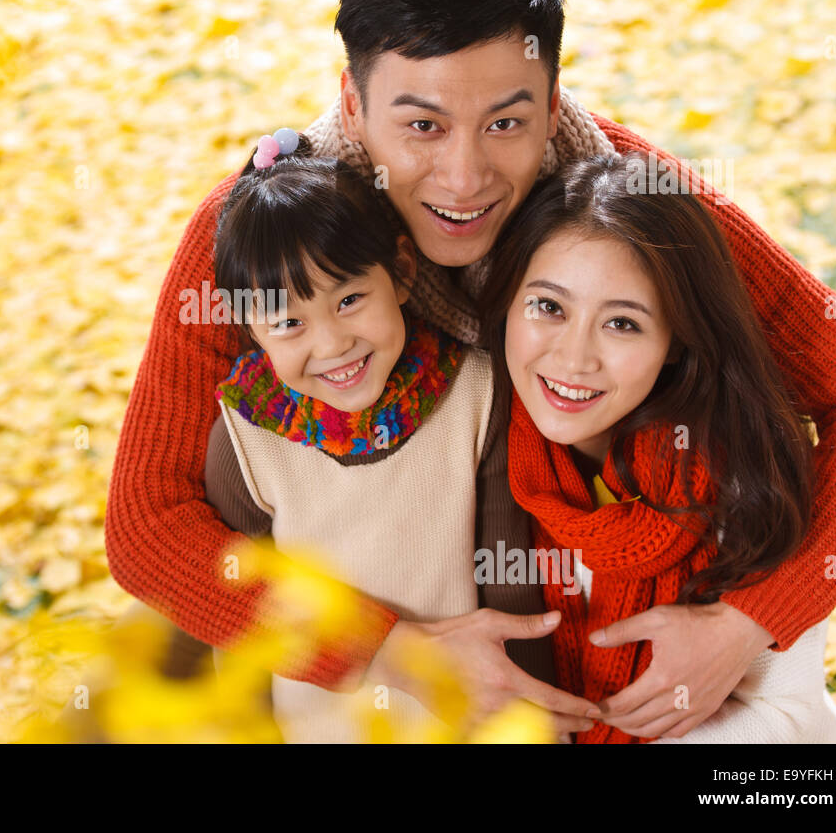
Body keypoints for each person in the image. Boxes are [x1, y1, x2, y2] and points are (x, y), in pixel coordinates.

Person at [105, 0, 836, 738]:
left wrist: (747, 624)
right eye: (423, 126)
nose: (465, 176)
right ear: (355, 105)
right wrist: (393, 651)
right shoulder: (269, 239)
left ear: (553, 104)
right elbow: (148, 527)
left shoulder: (625, 209)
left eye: (505, 123)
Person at [477, 152, 836, 743]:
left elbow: (786, 719)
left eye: (623, 323)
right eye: (549, 307)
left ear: (677, 344)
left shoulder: (737, 478)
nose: (574, 358)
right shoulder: (488, 454)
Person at [196, 127, 568, 740]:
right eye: (288, 322)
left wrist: (531, 722)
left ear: (399, 272)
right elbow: (243, 613)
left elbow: (509, 579)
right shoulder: (244, 438)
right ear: (250, 329)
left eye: (348, 300)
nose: (332, 343)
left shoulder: (477, 394)